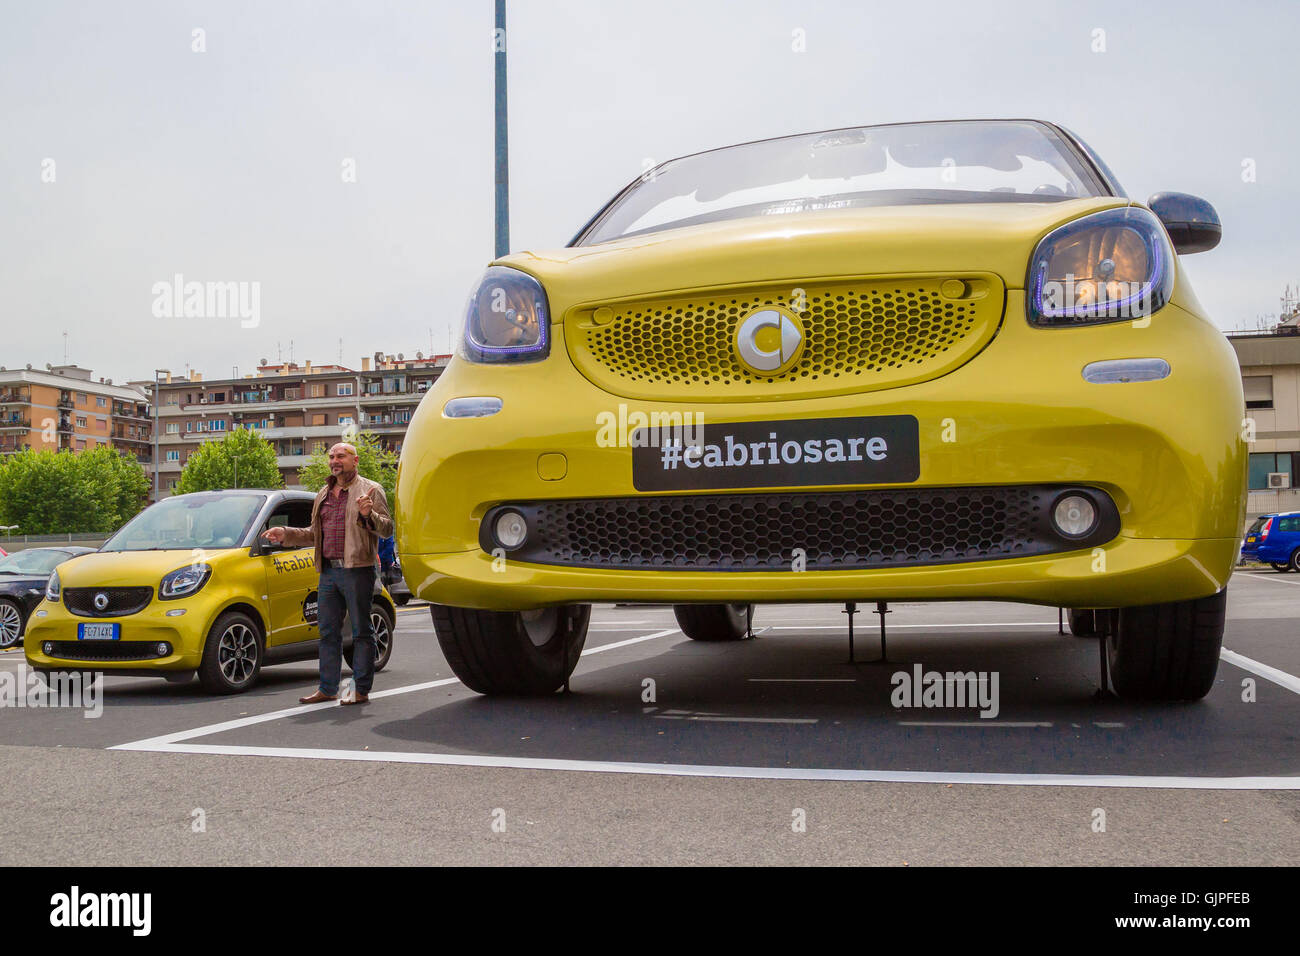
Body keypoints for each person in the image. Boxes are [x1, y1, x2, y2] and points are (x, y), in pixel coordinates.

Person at [262, 443, 393, 706]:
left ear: (354, 461)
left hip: (358, 570)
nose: (335, 461)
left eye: (341, 456)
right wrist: (286, 533)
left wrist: (369, 515)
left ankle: (360, 689)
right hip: (328, 573)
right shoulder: (323, 493)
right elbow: (314, 533)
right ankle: (328, 688)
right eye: (332, 457)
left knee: (361, 632)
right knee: (328, 632)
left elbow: (388, 529)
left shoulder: (370, 490)